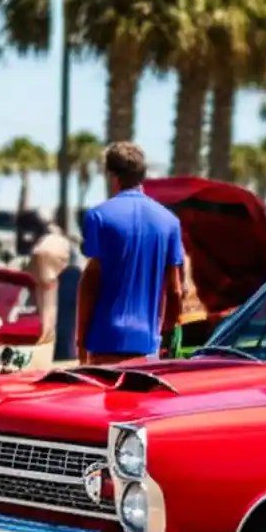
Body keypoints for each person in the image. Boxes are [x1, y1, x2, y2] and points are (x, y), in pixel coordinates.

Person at [76, 142, 184, 365]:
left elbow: (90, 282)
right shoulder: (169, 222)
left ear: (112, 175)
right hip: (148, 346)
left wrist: (81, 341)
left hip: (105, 342)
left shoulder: (98, 216)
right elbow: (175, 290)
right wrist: (167, 340)